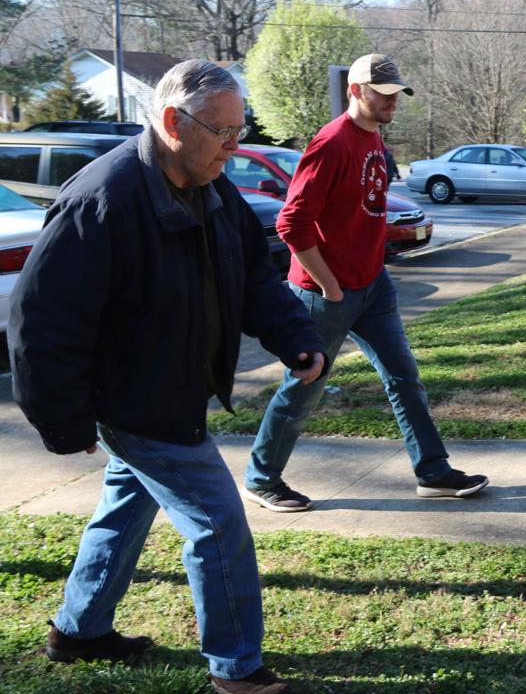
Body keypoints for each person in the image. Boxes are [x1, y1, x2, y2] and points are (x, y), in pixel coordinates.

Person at [9, 60, 326, 694]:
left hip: (175, 387)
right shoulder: (103, 199)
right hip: (136, 398)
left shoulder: (211, 186)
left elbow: (252, 276)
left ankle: (79, 630)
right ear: (174, 122)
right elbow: (42, 322)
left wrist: (293, 336)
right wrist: (62, 418)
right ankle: (236, 667)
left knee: (124, 509)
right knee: (217, 525)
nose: (234, 149)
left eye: (240, 132)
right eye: (224, 133)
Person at [242, 53, 487, 513]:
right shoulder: (332, 143)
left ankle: (433, 472)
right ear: (356, 91)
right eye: (383, 93)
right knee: (304, 388)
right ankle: (261, 478)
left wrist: (372, 269)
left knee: (404, 377)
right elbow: (291, 224)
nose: (393, 101)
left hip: (373, 287)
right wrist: (331, 287)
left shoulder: (374, 140)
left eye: (397, 93)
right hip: (324, 295)